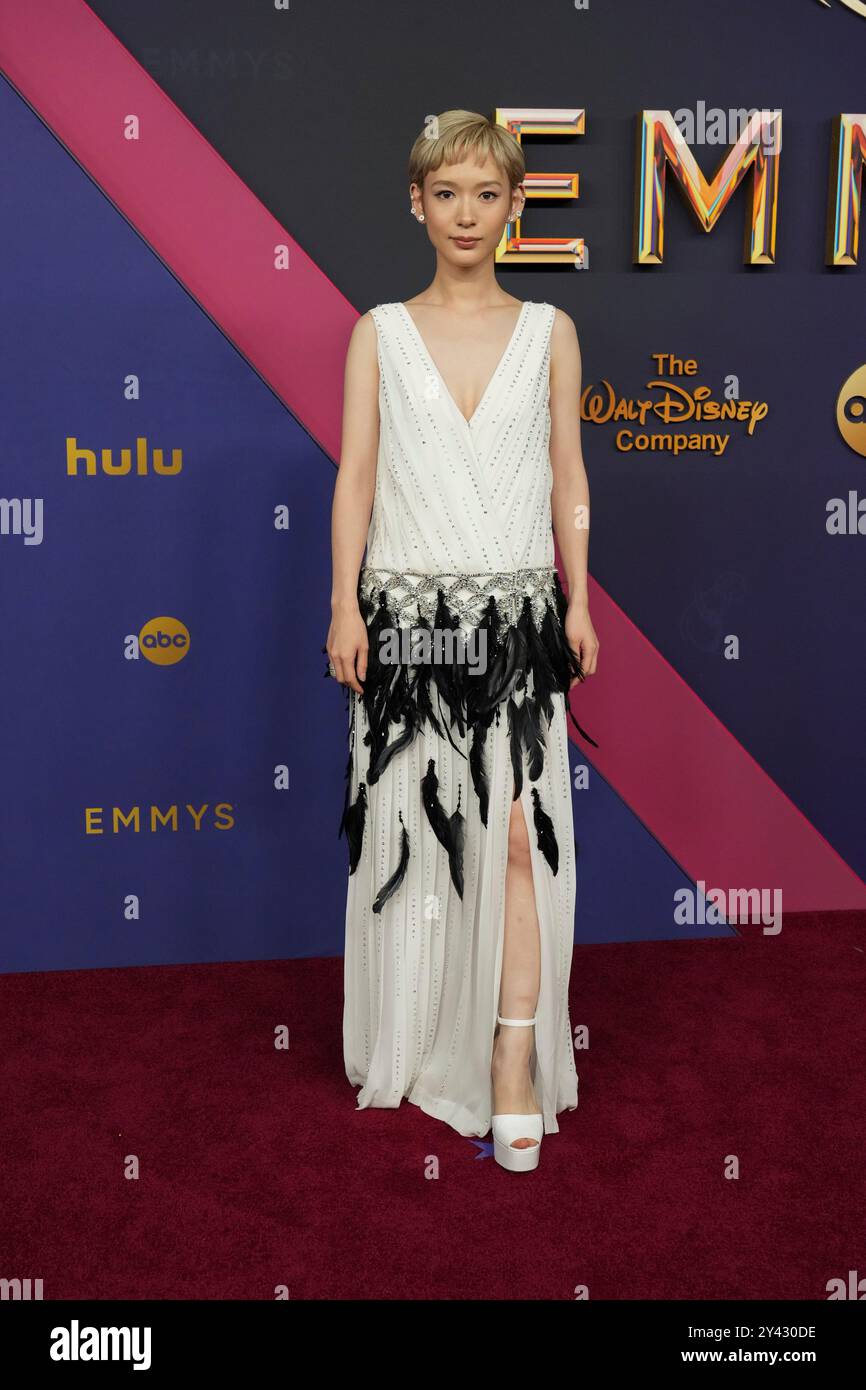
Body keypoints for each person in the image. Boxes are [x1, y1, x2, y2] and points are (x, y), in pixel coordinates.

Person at [325, 109, 599, 1173]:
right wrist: (343, 606)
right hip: (406, 631)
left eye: (487, 194)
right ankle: (418, 1037)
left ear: (514, 206)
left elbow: (568, 479)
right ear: (416, 204)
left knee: (523, 843)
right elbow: (353, 474)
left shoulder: (550, 330)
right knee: (417, 844)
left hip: (522, 625)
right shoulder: (378, 331)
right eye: (447, 194)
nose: (467, 214)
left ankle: (512, 1064)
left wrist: (579, 600)